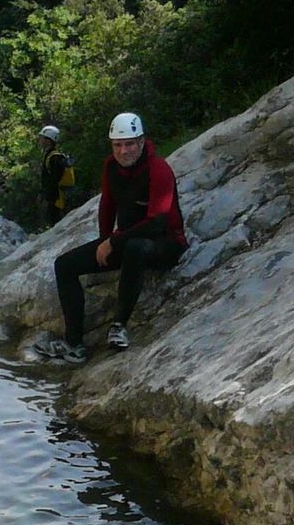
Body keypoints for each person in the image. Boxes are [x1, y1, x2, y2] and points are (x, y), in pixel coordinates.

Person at [51, 111, 185, 361]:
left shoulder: (159, 169)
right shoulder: (111, 167)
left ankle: (119, 325)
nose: (124, 151)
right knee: (64, 265)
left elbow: (157, 222)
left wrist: (114, 242)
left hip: (165, 242)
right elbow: (108, 205)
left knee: (135, 247)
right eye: (118, 145)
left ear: (142, 142)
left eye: (129, 144)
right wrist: (104, 241)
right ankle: (73, 343)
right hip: (127, 239)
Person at [38, 124, 76, 221]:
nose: (40, 140)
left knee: (56, 222)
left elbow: (53, 181)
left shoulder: (54, 158)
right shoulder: (52, 156)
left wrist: (46, 199)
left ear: (48, 140)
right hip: (55, 199)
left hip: (56, 200)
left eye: (42, 138)